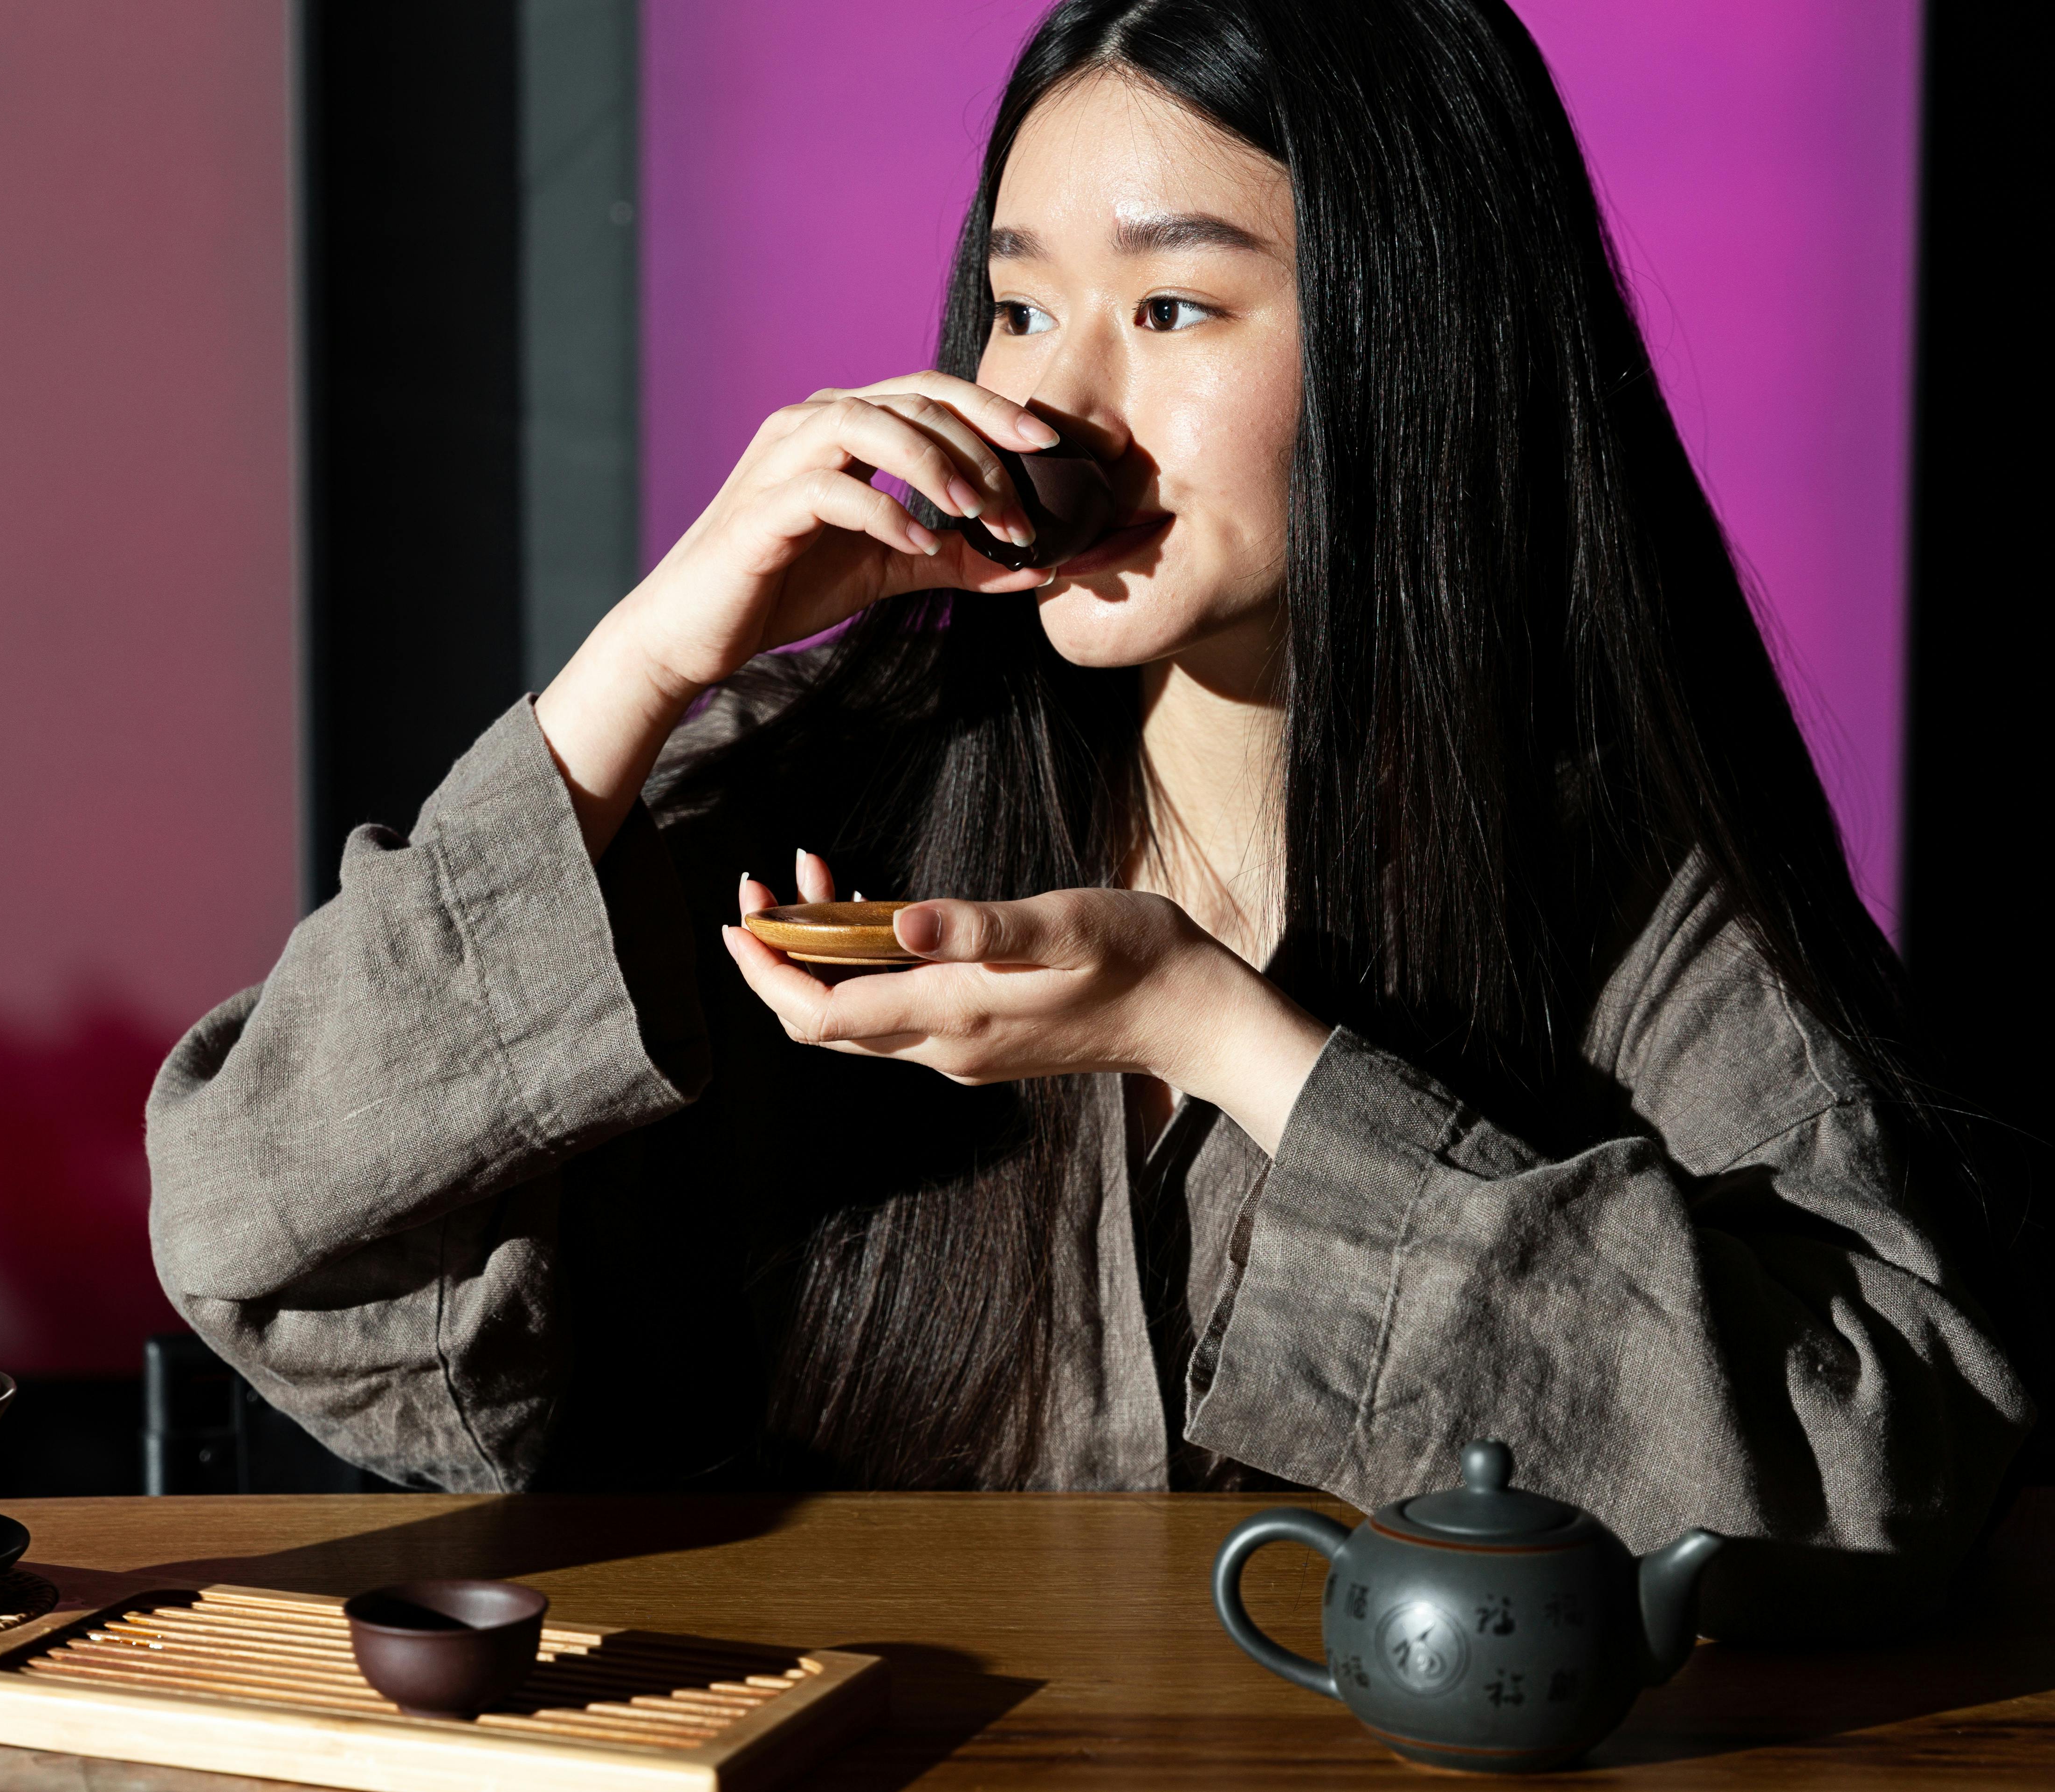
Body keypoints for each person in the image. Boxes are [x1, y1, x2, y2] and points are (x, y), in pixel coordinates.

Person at [146, 0, 2032, 1634]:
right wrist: (643, 663)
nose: (1054, 400)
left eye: (1174, 304)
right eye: (1020, 304)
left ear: (1416, 346)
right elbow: (254, 1232)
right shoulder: (822, 780)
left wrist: (1223, 1034)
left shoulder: (1621, 878)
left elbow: (1881, 1483)